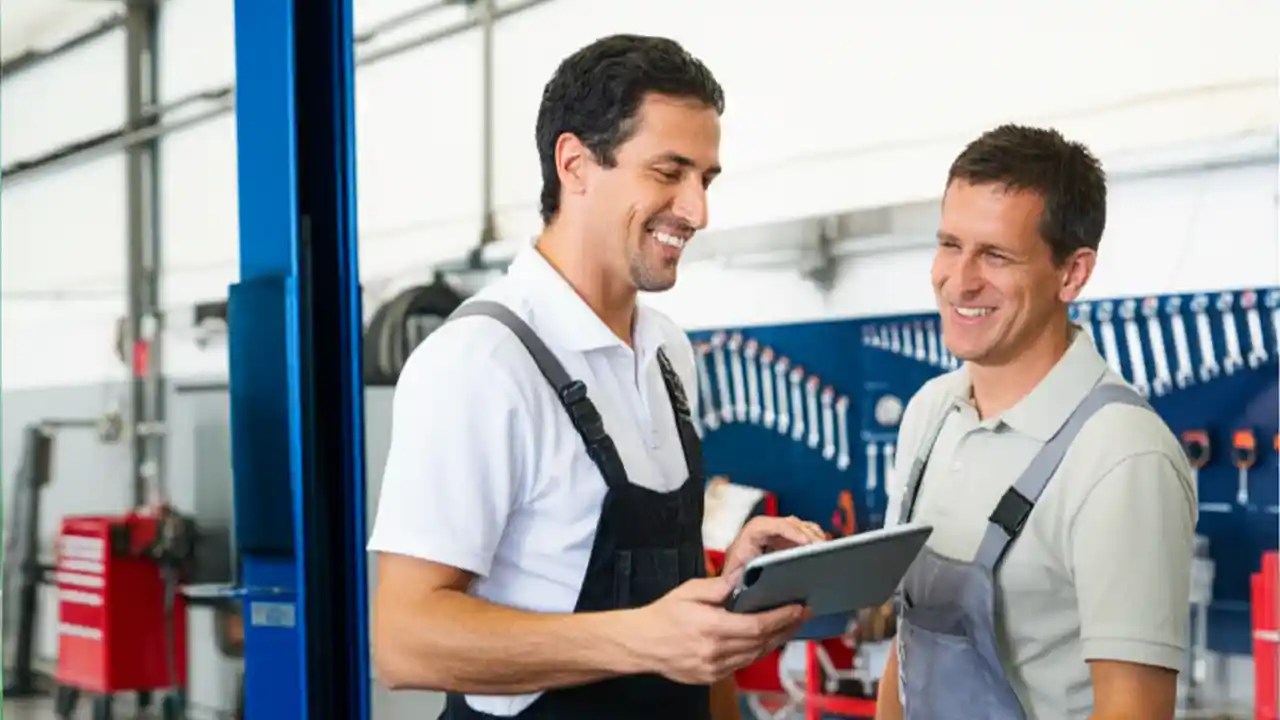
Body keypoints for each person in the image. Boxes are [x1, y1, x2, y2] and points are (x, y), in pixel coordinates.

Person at [367, 34, 825, 720]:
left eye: (706, 178)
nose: (697, 210)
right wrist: (642, 639)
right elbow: (403, 641)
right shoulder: (480, 362)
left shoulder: (668, 352)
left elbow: (652, 609)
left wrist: (728, 586)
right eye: (669, 171)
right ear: (575, 164)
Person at [874, 125, 1197, 719]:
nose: (961, 279)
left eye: (995, 255)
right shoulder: (929, 412)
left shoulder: (1121, 456)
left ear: (1072, 274)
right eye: (950, 244)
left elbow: (1133, 711)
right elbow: (908, 648)